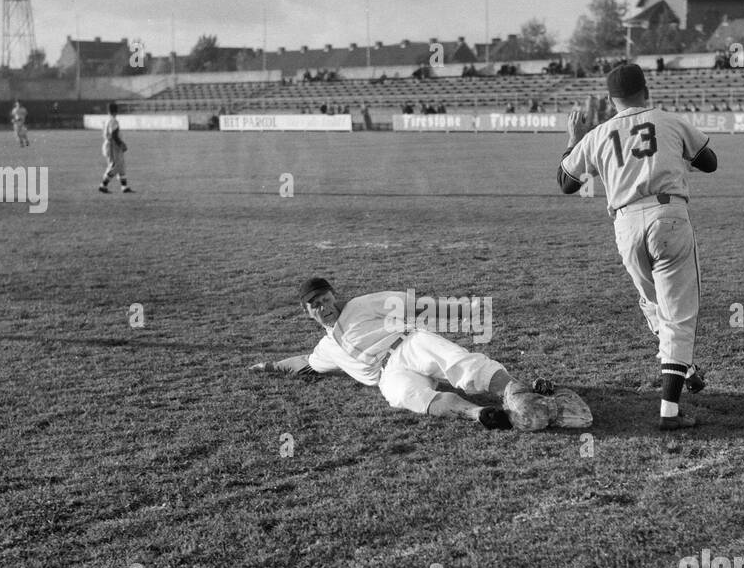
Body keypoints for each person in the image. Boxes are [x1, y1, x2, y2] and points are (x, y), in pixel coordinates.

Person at [555, 64, 714, 431]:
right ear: (646, 89)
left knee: (653, 304)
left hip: (625, 224)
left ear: (611, 99)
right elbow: (710, 162)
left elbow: (565, 183)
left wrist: (573, 139)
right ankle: (669, 412)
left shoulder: (597, 134)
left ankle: (684, 367)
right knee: (677, 317)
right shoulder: (668, 119)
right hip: (667, 215)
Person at [248, 277, 591, 432]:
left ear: (333, 296)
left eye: (323, 299)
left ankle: (515, 390)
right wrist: (270, 365)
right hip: (388, 375)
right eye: (313, 305)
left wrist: (463, 310)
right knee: (407, 397)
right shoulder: (326, 349)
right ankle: (483, 415)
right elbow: (305, 365)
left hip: (407, 344)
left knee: (459, 364)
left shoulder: (360, 305)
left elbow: (415, 304)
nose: (321, 307)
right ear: (307, 313)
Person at [98, 102, 131, 193]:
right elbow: (114, 135)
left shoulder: (107, 120)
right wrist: (121, 144)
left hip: (111, 145)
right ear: (116, 111)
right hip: (113, 146)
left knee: (121, 165)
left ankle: (124, 186)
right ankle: (103, 185)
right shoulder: (113, 121)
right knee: (115, 166)